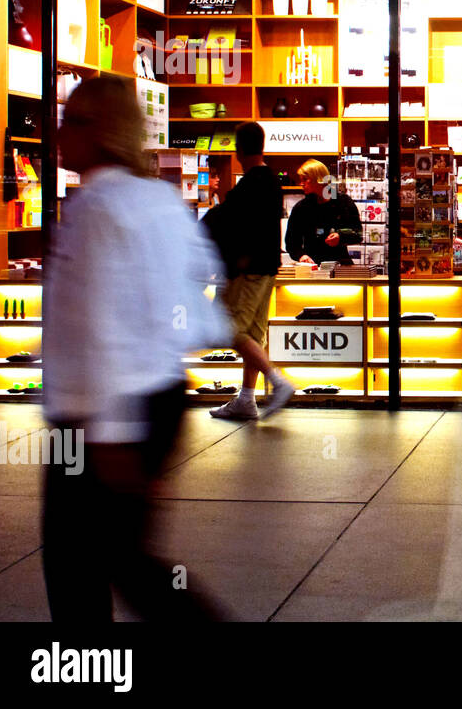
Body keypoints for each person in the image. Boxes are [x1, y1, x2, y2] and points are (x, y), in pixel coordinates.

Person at [43, 75, 228, 620]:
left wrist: (113, 434)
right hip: (158, 396)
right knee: (116, 558)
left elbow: (101, 327)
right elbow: (198, 294)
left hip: (98, 418)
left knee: (89, 565)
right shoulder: (158, 200)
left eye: (71, 121)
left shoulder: (94, 208)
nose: (58, 134)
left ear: (100, 131)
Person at [201, 122, 297, 419]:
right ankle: (246, 398)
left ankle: (276, 380)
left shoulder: (250, 184)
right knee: (253, 334)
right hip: (267, 269)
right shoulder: (270, 180)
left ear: (238, 149)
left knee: (233, 330)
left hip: (248, 270)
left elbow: (228, 223)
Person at [286, 158, 362, 266]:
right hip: (312, 268)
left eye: (305, 179)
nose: (301, 183)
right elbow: (291, 243)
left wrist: (340, 236)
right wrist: (301, 256)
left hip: (340, 267)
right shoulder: (301, 208)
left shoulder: (343, 202)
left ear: (318, 178)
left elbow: (358, 233)